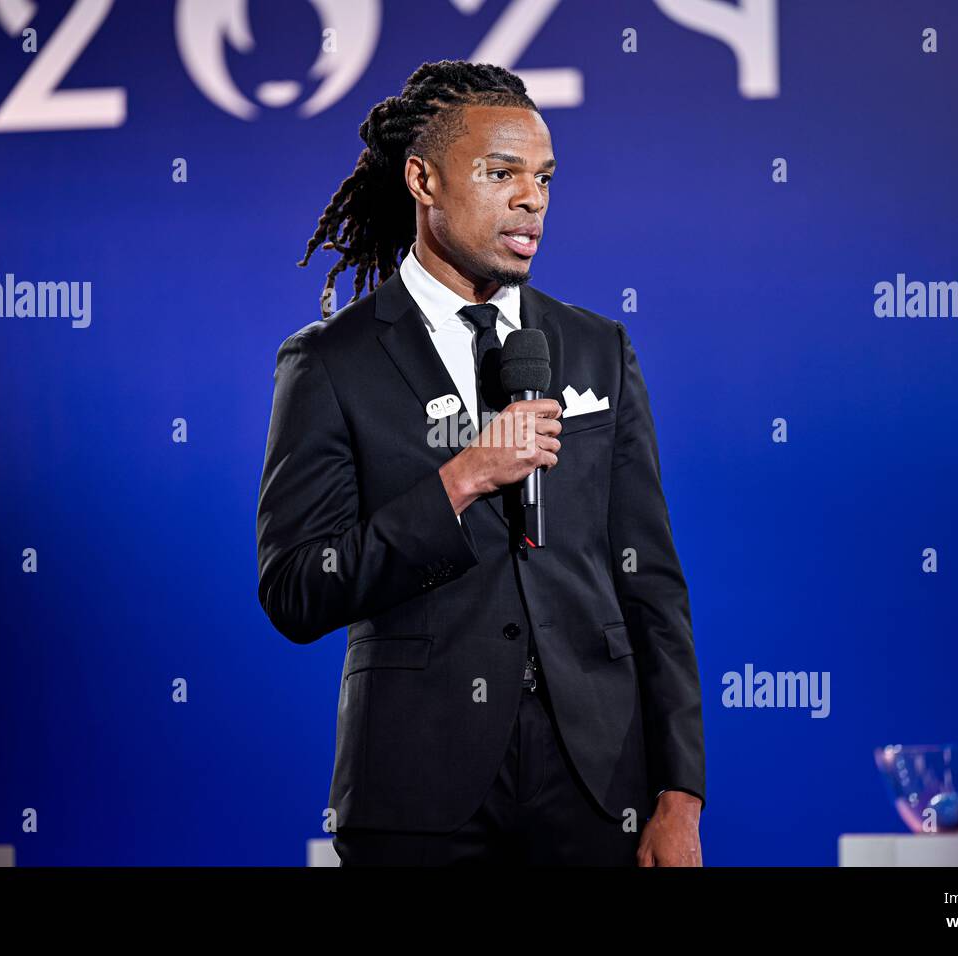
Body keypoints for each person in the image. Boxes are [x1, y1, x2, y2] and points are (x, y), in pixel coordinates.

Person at [256, 60, 705, 865]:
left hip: (599, 788)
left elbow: (652, 585)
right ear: (421, 178)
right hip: (416, 793)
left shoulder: (598, 348)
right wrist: (458, 483)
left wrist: (680, 795)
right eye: (502, 173)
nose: (531, 198)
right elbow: (296, 589)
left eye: (543, 177)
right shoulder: (329, 362)